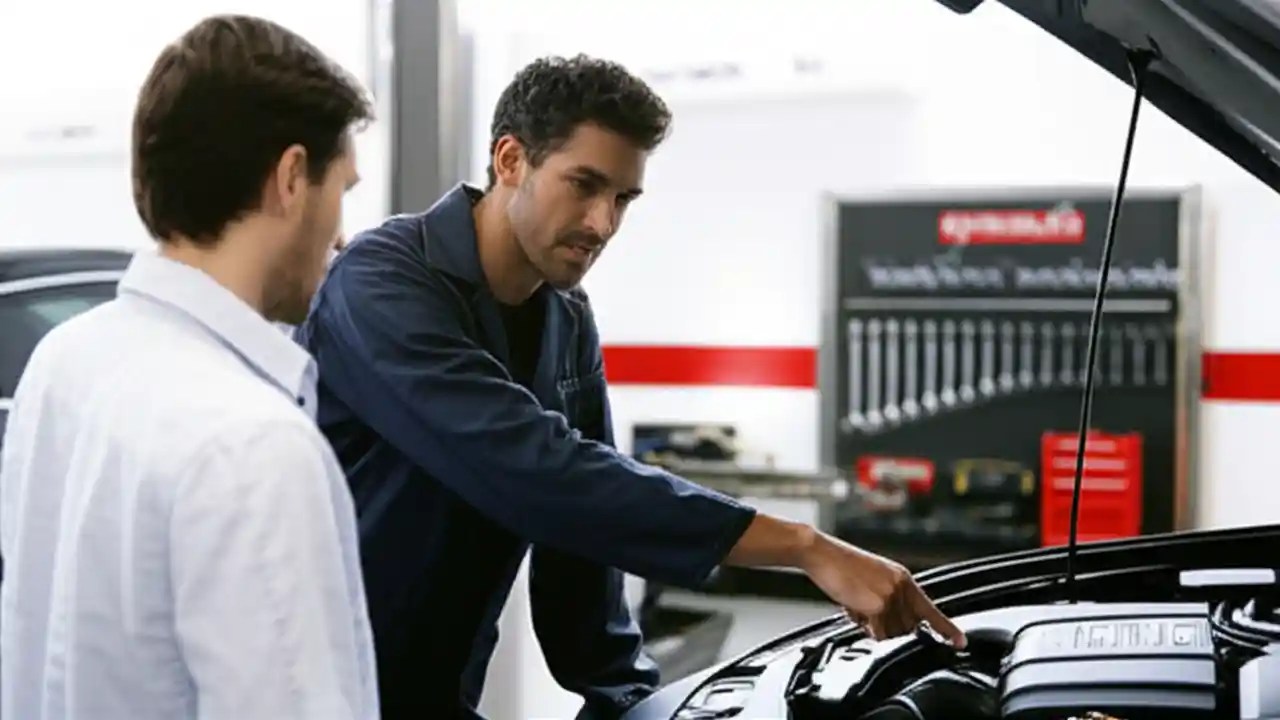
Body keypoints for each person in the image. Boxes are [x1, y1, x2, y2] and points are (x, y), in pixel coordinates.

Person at [297, 53, 964, 719]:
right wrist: (803, 545)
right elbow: (535, 470)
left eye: (621, 198)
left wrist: (631, 697)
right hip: (316, 685)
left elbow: (583, 531)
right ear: (509, 160)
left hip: (437, 690)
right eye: (583, 185)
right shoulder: (379, 282)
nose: (602, 224)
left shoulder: (564, 313)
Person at [0, 15, 379, 720]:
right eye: (343, 190)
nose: (342, 235)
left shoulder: (63, 363)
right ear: (292, 178)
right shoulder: (254, 446)